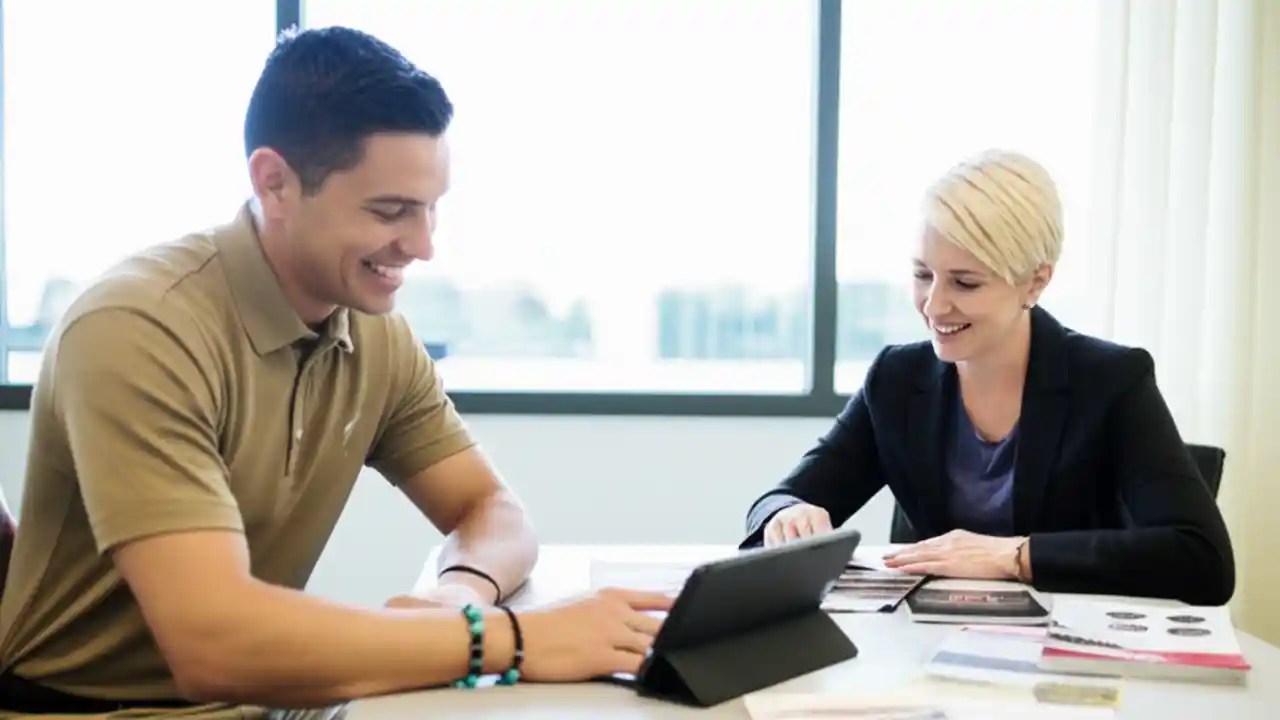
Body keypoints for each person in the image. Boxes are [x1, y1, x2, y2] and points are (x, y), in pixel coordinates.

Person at [0, 26, 670, 718]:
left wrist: (460, 596)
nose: (423, 245)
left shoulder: (373, 332)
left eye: (432, 207)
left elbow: (491, 510)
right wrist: (507, 639)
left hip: (269, 704)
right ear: (275, 183)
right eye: (391, 211)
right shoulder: (138, 329)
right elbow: (213, 644)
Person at [741, 149, 1235, 607]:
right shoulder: (897, 380)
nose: (934, 304)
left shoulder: (1110, 381)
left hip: (1068, 658)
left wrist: (1013, 556)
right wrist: (786, 516)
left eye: (965, 282)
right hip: (930, 654)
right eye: (922, 274)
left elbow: (1201, 560)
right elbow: (780, 500)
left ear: (1036, 281)